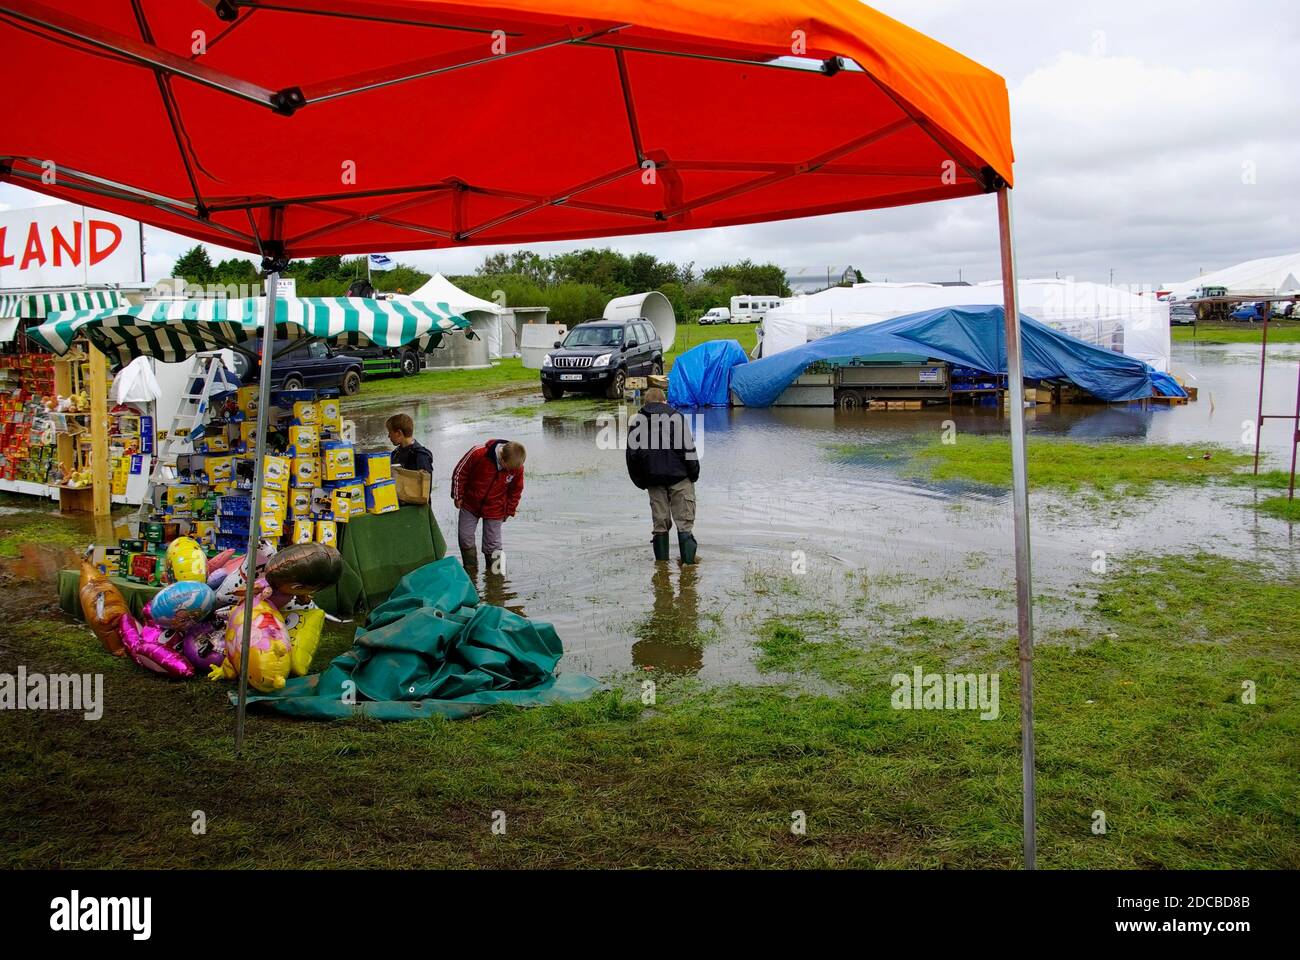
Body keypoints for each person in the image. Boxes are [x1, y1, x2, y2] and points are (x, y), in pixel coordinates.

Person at [625, 387, 700, 563]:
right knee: (684, 524)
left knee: (660, 525)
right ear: (664, 401)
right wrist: (694, 474)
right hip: (680, 478)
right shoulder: (677, 418)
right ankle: (688, 569)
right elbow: (688, 450)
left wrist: (642, 482)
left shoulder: (636, 423)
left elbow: (631, 457)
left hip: (653, 481)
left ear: (645, 403)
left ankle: (662, 571)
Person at [450, 439, 526, 569]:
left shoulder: (517, 467)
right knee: (465, 539)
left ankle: (496, 579)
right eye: (508, 468)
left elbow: (516, 491)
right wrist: (458, 496)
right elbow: (460, 472)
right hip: (470, 504)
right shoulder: (478, 453)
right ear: (502, 459)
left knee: (494, 545)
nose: (510, 472)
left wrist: (509, 511)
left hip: (495, 509)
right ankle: (471, 571)